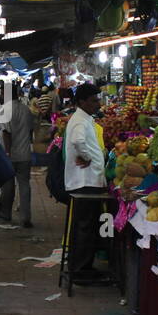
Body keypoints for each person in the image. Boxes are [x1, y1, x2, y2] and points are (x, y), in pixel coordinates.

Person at [63, 82, 109, 283]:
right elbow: (77, 141)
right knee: (85, 227)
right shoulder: (80, 121)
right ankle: (80, 271)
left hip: (87, 180)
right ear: (82, 102)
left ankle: (82, 266)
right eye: (94, 100)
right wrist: (88, 156)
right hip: (85, 182)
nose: (97, 104)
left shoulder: (83, 118)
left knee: (86, 227)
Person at [0, 83, 35, 229]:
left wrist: (7, 153)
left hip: (10, 154)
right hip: (25, 153)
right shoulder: (26, 109)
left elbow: (6, 133)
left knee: (8, 185)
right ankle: (26, 217)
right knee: (24, 185)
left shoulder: (5, 109)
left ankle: (5, 214)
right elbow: (30, 132)